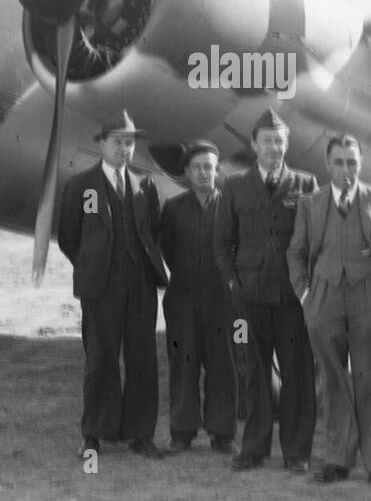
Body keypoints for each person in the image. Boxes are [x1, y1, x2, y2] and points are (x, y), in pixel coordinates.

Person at [289, 134, 371, 487]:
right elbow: (296, 253)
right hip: (323, 299)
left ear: (361, 163)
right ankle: (337, 459)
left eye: (352, 162)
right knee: (333, 381)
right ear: (327, 165)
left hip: (369, 295)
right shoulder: (310, 204)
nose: (346, 170)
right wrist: (306, 295)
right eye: (339, 162)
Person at [58, 109, 169, 460]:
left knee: (142, 359)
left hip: (139, 286)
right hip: (100, 287)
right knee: (100, 359)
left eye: (130, 142)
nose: (124, 149)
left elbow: (151, 230)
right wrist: (93, 265)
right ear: (102, 144)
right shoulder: (81, 187)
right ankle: (93, 434)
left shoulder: (145, 186)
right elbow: (69, 237)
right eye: (118, 142)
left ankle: (140, 434)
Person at [213, 107, 317, 473]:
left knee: (297, 375)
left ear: (287, 145)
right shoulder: (234, 185)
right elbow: (222, 241)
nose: (274, 147)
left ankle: (296, 452)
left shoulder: (305, 185)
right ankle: (254, 448)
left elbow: (314, 242)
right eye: (267, 141)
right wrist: (231, 281)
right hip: (250, 297)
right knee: (254, 374)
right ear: (254, 145)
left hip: (291, 298)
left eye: (279, 141)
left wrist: (307, 289)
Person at [158, 141, 237, 454]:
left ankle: (222, 434)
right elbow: (167, 248)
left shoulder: (231, 207)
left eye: (209, 167)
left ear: (217, 171)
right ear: (187, 173)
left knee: (223, 366)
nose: (204, 172)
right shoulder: (174, 209)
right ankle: (181, 432)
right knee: (183, 364)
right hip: (183, 301)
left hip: (222, 301)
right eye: (197, 168)